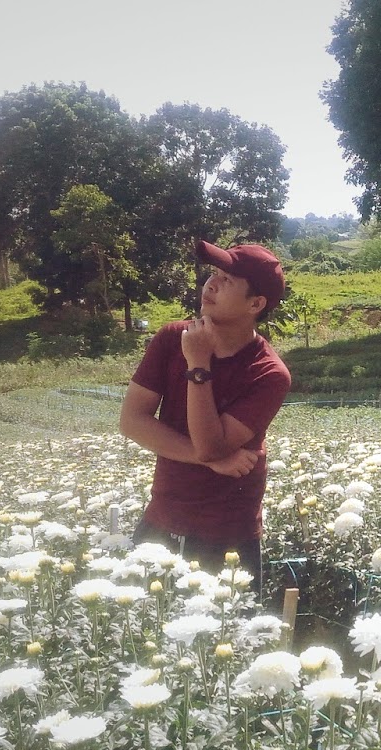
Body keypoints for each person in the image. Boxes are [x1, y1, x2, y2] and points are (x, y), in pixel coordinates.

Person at [118, 239, 292, 584]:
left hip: (226, 536)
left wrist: (197, 364)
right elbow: (131, 421)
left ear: (255, 303)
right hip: (162, 516)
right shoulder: (171, 338)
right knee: (138, 627)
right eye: (214, 273)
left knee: (225, 634)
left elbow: (211, 445)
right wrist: (210, 460)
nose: (210, 284)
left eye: (227, 280)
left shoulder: (269, 374)